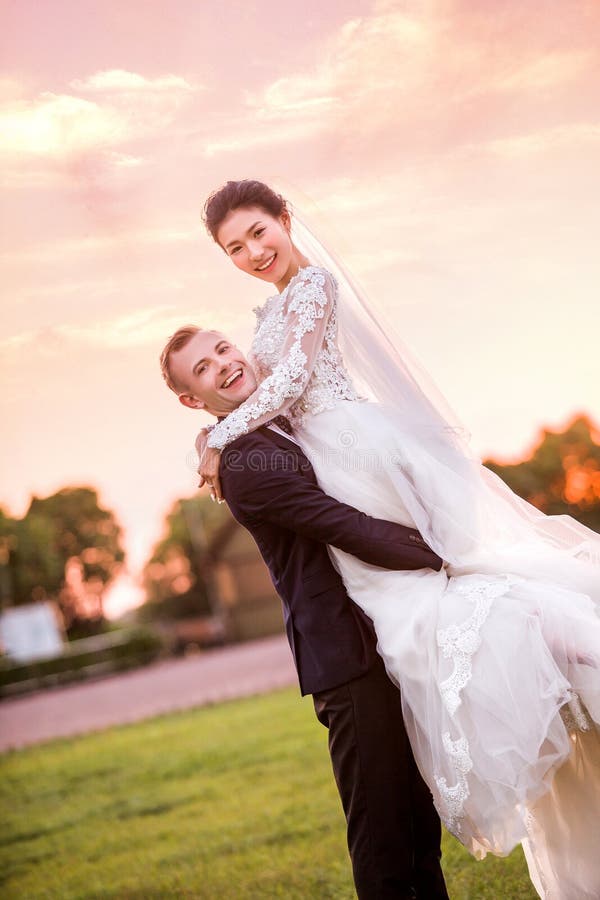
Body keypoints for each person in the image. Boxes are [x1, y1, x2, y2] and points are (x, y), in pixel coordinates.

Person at [193, 180, 600, 899]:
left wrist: (215, 437)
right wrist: (213, 426)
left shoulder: (313, 282)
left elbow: (287, 381)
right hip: (326, 459)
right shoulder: (263, 315)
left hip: (356, 451)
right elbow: (259, 383)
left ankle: (574, 648)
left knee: (462, 587)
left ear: (286, 220)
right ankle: (562, 650)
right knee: (432, 607)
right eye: (235, 248)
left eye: (260, 232)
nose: (254, 252)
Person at [160, 327, 450, 899]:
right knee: (383, 840)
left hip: (383, 630)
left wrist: (213, 437)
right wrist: (444, 556)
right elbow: (345, 526)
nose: (222, 364)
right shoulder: (246, 462)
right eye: (201, 369)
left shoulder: (265, 426)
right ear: (192, 399)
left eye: (221, 349)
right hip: (345, 657)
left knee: (419, 826)